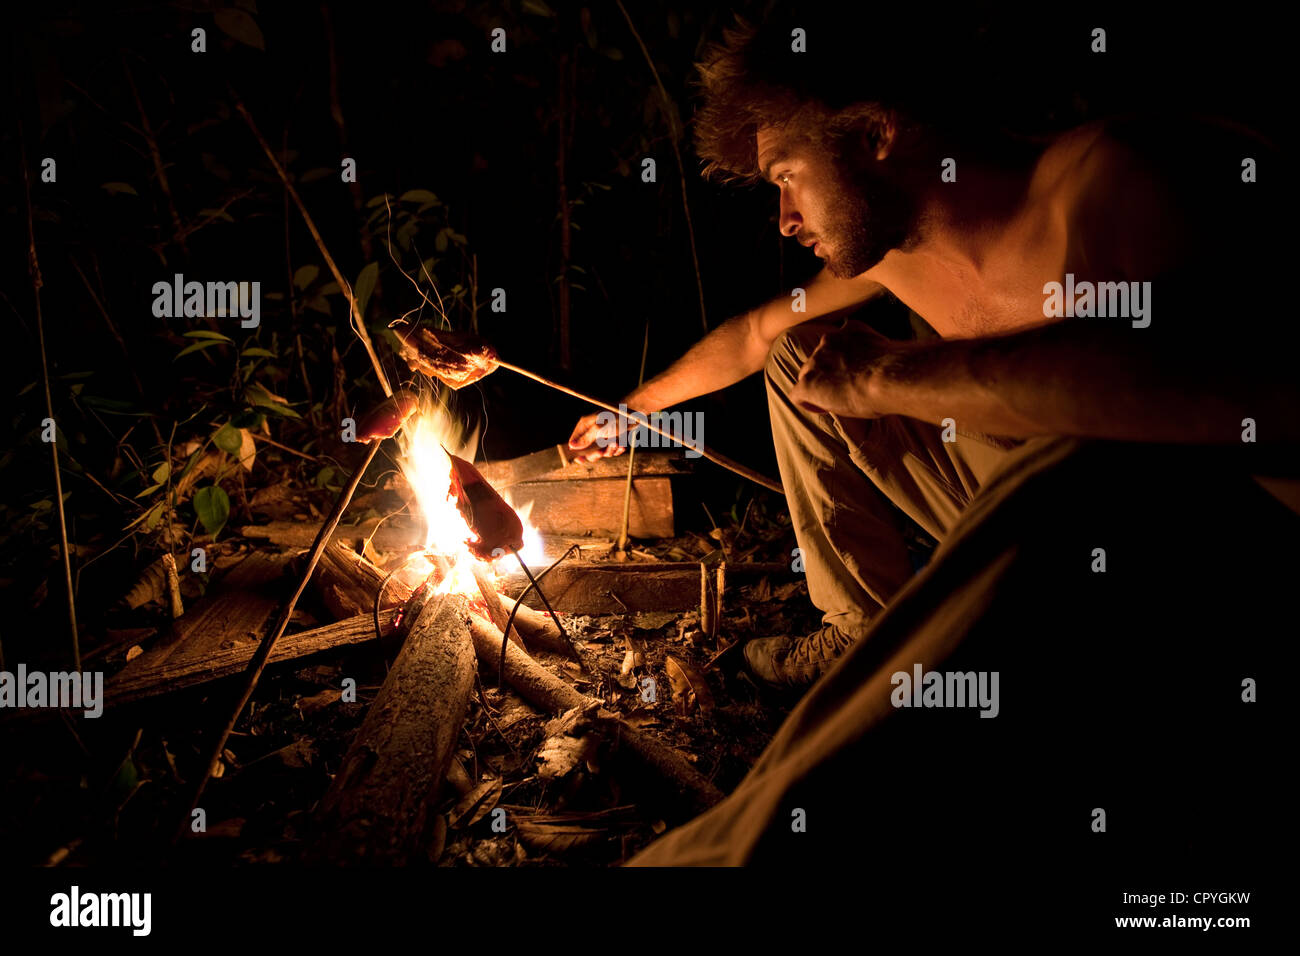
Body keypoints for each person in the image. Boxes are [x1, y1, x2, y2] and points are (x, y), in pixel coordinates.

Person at [566, 8, 1296, 693]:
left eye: (788, 177)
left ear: (876, 134)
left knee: (1082, 457)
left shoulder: (1121, 178)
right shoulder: (894, 252)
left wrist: (889, 377)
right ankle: (862, 632)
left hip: (1216, 564)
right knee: (799, 359)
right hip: (1042, 537)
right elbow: (757, 335)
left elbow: (1225, 384)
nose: (784, 220)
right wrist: (630, 411)